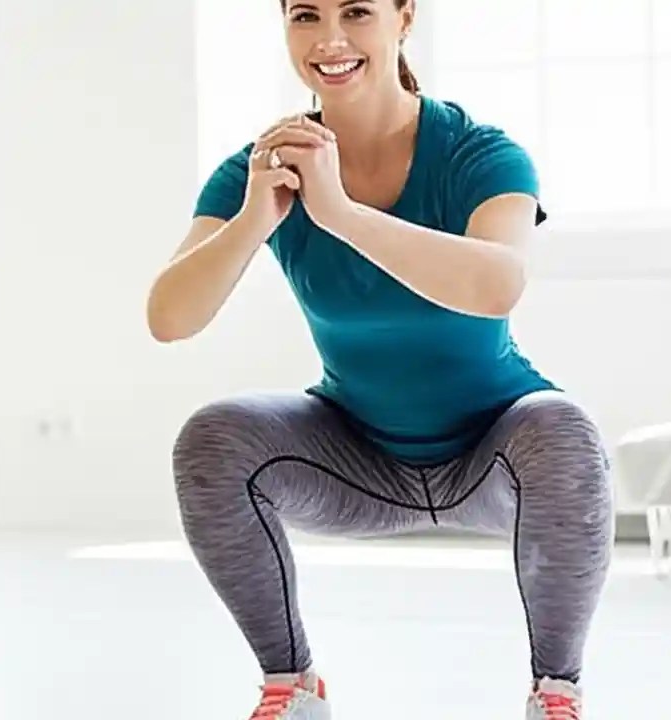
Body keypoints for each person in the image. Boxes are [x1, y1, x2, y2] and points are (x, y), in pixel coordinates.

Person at [146, 0, 614, 717]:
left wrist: (339, 214)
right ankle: (292, 685)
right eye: (305, 15)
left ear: (403, 18)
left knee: (564, 429)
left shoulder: (478, 153)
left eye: (356, 11)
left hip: (491, 457)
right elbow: (170, 319)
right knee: (213, 436)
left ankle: (556, 693)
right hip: (356, 458)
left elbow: (498, 285)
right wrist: (251, 219)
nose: (329, 39)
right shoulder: (262, 168)